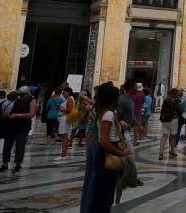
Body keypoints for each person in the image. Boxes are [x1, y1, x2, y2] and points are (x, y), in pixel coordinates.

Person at [80, 83, 130, 213]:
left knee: (96, 183)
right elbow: (104, 140)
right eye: (117, 96)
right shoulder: (108, 114)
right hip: (106, 151)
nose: (119, 99)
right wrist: (121, 152)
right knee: (104, 188)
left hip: (99, 149)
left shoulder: (101, 110)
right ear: (112, 99)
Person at [0, 87, 37, 174]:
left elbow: (32, 114)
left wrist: (18, 115)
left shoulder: (32, 101)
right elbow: (13, 110)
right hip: (12, 126)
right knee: (7, 145)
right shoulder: (18, 100)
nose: (20, 96)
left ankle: (17, 165)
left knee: (20, 146)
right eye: (19, 94)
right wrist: (9, 113)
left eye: (22, 95)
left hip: (23, 127)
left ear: (27, 94)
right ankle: (5, 164)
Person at [159, 88, 181, 160]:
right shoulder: (177, 100)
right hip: (174, 119)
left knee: (164, 136)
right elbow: (179, 110)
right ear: (176, 94)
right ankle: (172, 151)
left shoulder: (166, 100)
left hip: (165, 119)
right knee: (173, 136)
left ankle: (161, 153)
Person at [54, 86, 75, 161]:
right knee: (64, 137)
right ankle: (63, 154)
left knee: (64, 137)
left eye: (64, 93)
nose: (63, 94)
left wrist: (61, 108)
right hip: (64, 120)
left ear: (69, 92)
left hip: (64, 120)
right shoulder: (69, 98)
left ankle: (63, 155)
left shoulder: (70, 98)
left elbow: (70, 109)